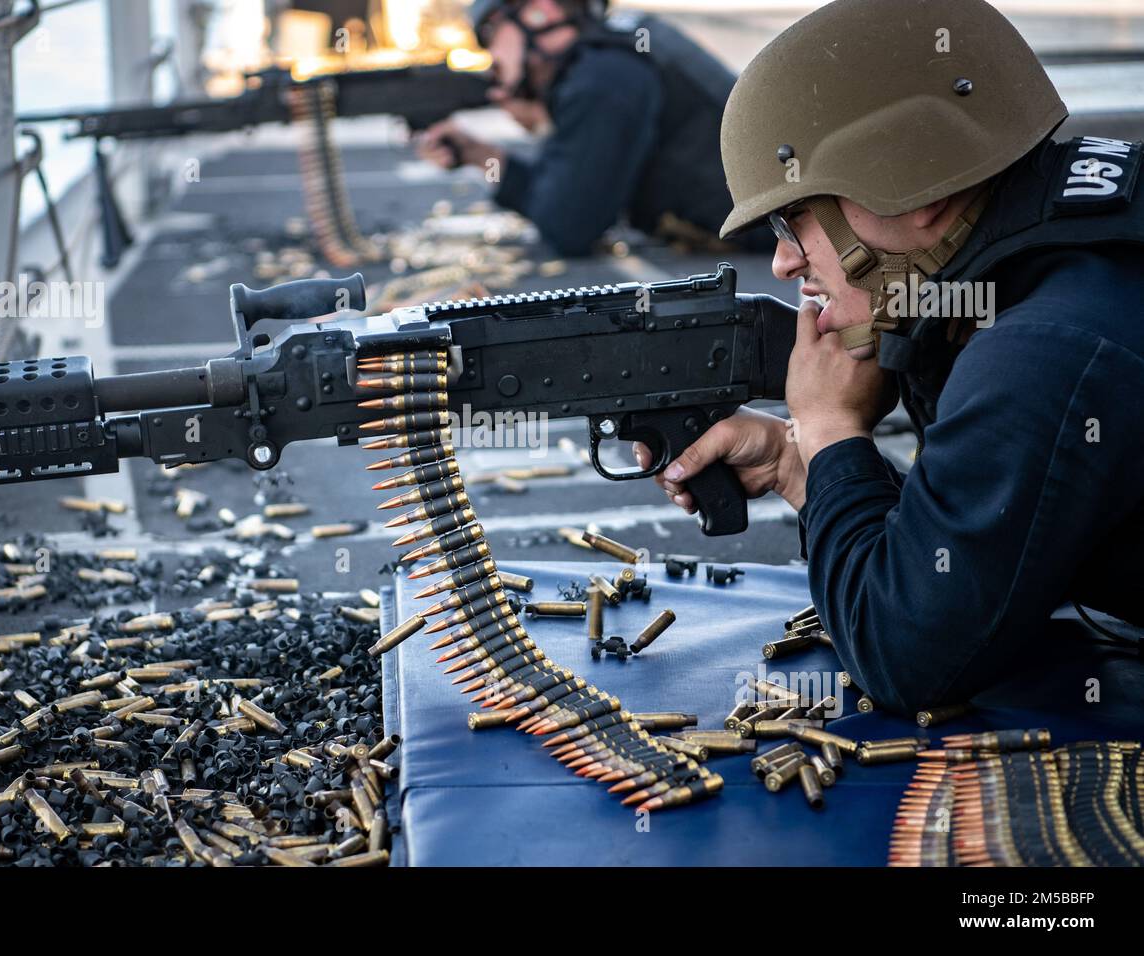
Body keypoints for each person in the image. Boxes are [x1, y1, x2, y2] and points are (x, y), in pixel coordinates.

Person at [637, 0, 1144, 714]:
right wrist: (800, 465)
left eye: (794, 219)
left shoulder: (1042, 349)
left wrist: (830, 429)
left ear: (913, 186)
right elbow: (982, 550)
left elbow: (905, 654)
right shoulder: (1069, 239)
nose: (783, 263)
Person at [416, 0, 770, 256]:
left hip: (772, 239)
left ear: (542, 12)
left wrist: (491, 160)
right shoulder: (614, 50)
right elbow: (569, 182)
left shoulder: (601, 80)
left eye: (491, 33)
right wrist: (481, 156)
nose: (492, 56)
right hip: (772, 230)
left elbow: (568, 225)